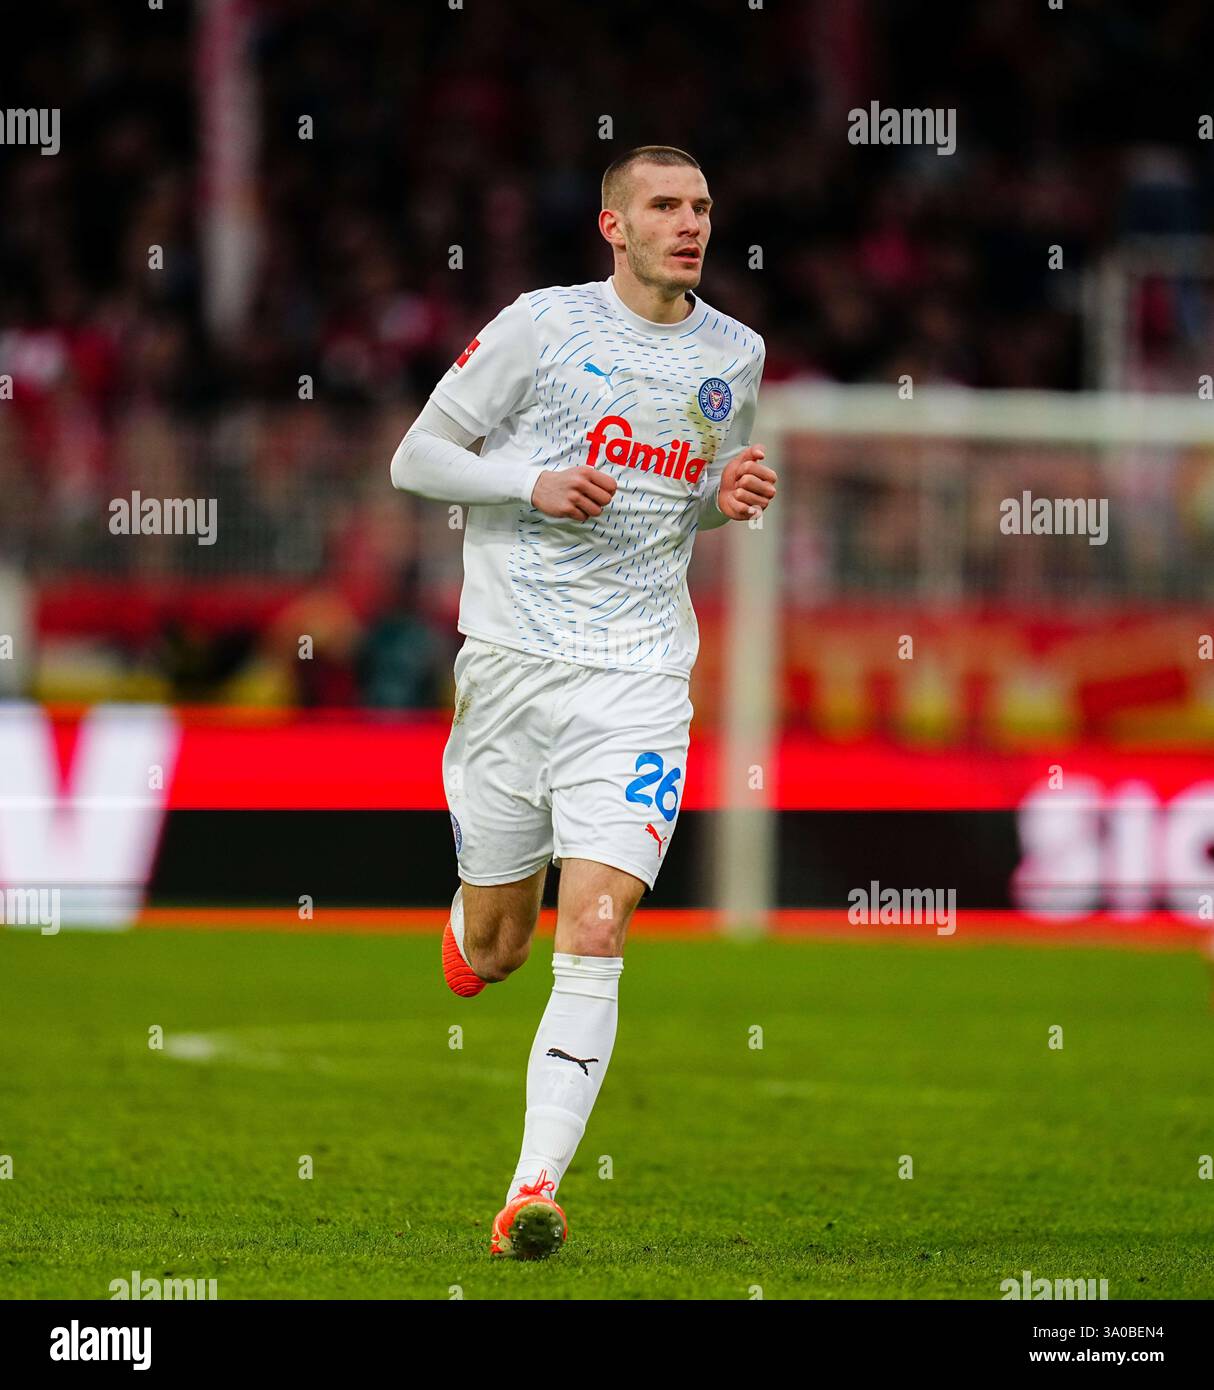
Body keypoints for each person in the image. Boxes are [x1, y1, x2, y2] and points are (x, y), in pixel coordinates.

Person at [390, 144, 776, 1258]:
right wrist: (529, 481)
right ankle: (473, 928)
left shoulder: (732, 354)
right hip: (510, 663)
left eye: (700, 205)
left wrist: (723, 496)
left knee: (596, 923)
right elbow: (416, 459)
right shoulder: (539, 328)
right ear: (613, 227)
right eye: (662, 206)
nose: (687, 223)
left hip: (640, 677)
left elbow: (678, 501)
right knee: (503, 945)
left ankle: (530, 1191)